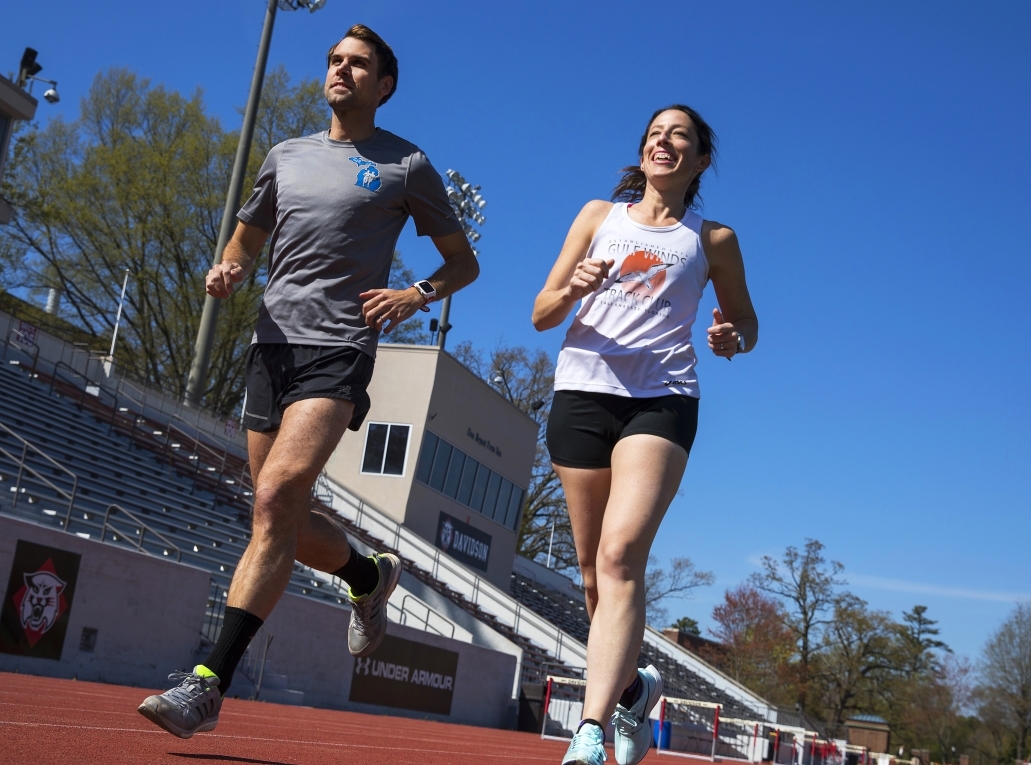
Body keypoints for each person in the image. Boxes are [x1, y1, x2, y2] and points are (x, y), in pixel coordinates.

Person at [138, 24, 479, 739]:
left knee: (275, 497)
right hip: (270, 346)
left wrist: (415, 294)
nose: (340, 70)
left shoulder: (405, 164)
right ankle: (366, 576)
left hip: (340, 346)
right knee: (278, 519)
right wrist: (230, 268)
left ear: (384, 85)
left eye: (357, 64)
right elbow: (246, 239)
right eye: (334, 60)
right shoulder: (286, 156)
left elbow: (462, 262)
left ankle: (207, 683)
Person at [532, 105, 758, 765]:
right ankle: (634, 688)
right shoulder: (597, 216)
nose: (665, 141)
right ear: (643, 152)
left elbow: (747, 324)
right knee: (592, 577)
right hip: (582, 391)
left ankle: (590, 729)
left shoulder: (713, 239)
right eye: (656, 133)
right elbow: (542, 313)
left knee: (621, 554)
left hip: (661, 399)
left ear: (700, 159)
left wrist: (732, 339)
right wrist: (571, 289)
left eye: (679, 134)